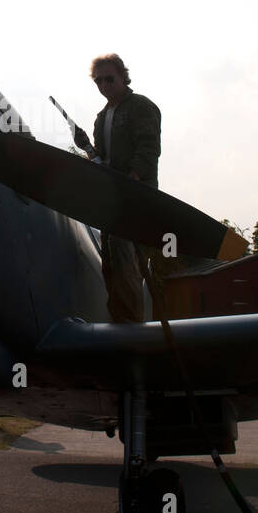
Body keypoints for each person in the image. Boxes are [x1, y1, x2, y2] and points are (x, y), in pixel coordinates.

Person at [87, 54, 165, 323]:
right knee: (109, 259)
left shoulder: (141, 107)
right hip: (112, 201)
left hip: (135, 197)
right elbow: (103, 158)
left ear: (123, 77)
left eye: (110, 78)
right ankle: (119, 324)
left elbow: (148, 148)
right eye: (99, 81)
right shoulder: (100, 118)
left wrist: (132, 180)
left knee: (125, 255)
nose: (104, 85)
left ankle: (134, 327)